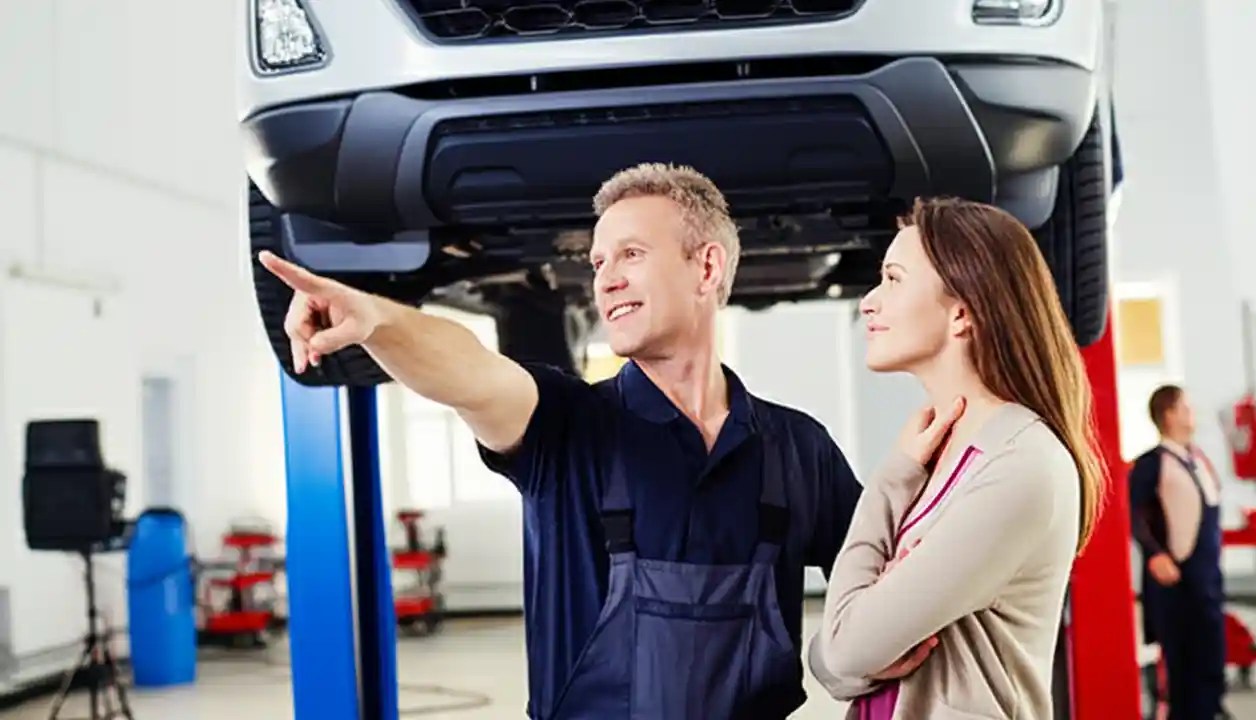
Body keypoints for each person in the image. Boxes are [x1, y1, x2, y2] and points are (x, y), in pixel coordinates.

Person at [258, 162, 862, 719]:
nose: (607, 281)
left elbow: (881, 598)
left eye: (631, 253)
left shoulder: (798, 449)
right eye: (599, 263)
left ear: (706, 267)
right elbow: (471, 373)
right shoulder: (566, 423)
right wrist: (378, 320)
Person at [806, 197, 1105, 719]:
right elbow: (829, 661)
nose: (868, 303)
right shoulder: (936, 455)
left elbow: (846, 648)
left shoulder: (1021, 465)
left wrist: (886, 484)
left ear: (962, 312)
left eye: (893, 279)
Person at [1129, 385, 1230, 720]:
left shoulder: (1197, 459)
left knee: (1211, 654)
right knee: (1184, 661)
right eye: (1185, 407)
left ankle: (1210, 707)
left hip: (1208, 577)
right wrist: (1155, 553)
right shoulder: (1152, 463)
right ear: (1168, 414)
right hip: (1177, 579)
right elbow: (1134, 512)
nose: (1192, 413)